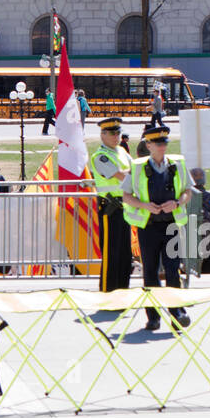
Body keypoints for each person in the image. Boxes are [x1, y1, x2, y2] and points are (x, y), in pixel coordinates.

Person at [122, 124, 192, 330]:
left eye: (164, 143)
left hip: (170, 225)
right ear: (149, 145)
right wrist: (144, 205)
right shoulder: (137, 167)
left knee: (172, 270)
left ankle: (177, 312)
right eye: (158, 144)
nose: (162, 147)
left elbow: (188, 191)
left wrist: (178, 203)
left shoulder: (178, 164)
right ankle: (152, 316)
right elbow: (126, 196)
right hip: (148, 226)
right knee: (150, 272)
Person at [89, 117, 133, 293]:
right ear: (103, 135)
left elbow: (133, 170)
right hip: (110, 208)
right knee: (111, 252)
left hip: (125, 206)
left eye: (118, 133)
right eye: (112, 133)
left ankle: (122, 291)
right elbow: (120, 175)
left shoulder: (121, 151)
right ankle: (108, 292)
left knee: (125, 254)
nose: (116, 136)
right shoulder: (100, 156)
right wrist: (134, 172)